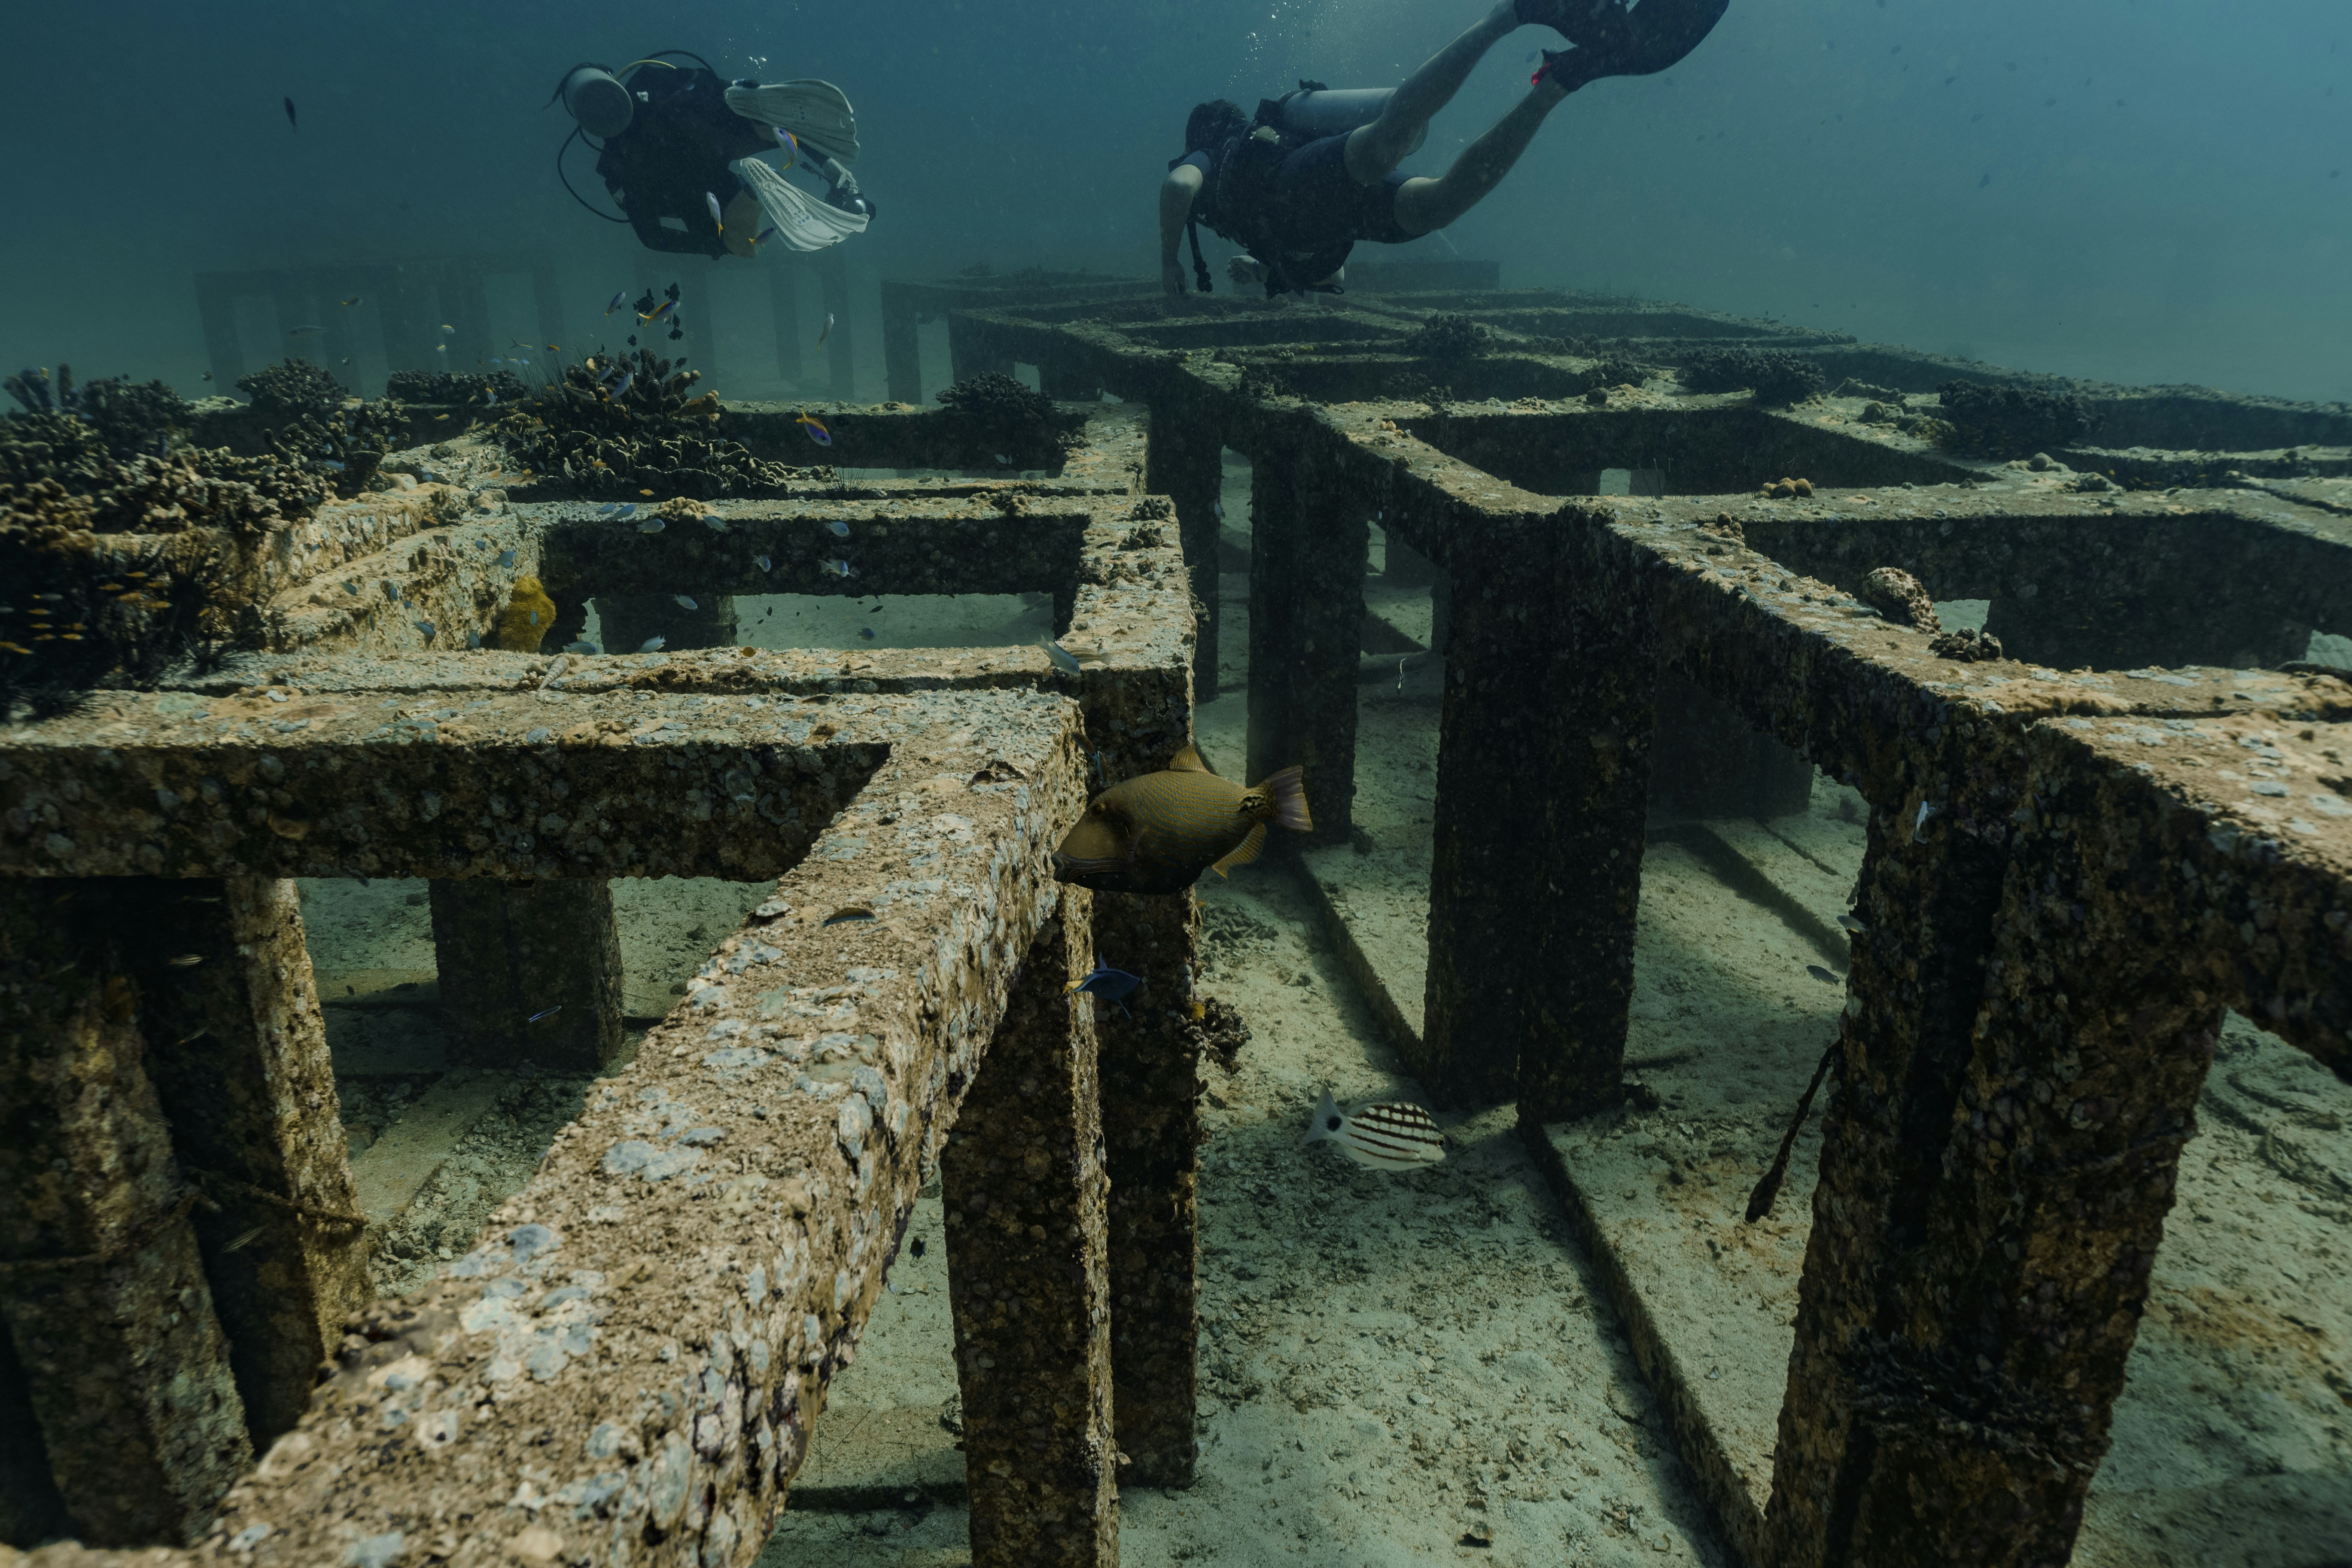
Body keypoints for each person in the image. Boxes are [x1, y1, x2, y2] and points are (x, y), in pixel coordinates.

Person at [1161, 0, 1729, 298]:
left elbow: (1177, 186)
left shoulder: (1211, 153)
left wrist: (1170, 266)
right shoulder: (1243, 200)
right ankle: (1558, 82)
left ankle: (1509, 14)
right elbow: (1327, 277)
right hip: (1328, 221)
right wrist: (1266, 270)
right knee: (1437, 205)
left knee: (1383, 146)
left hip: (1297, 191)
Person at [552, 51, 876, 258]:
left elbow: (651, 236)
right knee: (760, 123)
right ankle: (834, 177)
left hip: (692, 179)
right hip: (709, 137)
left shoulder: (612, 164)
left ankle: (753, 195)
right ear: (612, 78)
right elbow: (705, 85)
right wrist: (735, 94)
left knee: (739, 245)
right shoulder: (652, 79)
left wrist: (712, 246)